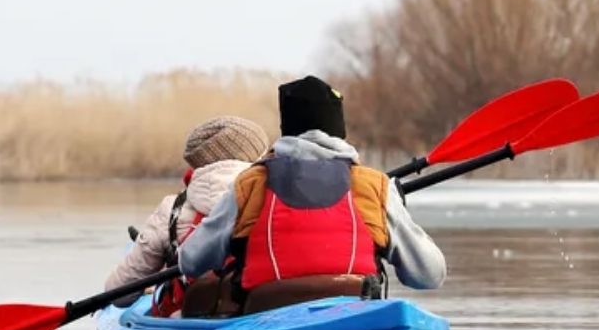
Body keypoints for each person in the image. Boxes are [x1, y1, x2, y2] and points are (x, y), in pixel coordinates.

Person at [178, 76, 445, 311]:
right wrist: (395, 205)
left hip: (265, 320)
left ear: (287, 129)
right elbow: (429, 275)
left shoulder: (249, 184)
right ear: (340, 131)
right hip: (354, 316)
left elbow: (191, 261)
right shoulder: (376, 186)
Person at [104, 116, 271, 313]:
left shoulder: (172, 210)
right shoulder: (275, 196)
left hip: (187, 315)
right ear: (258, 157)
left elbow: (119, 294)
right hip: (259, 309)